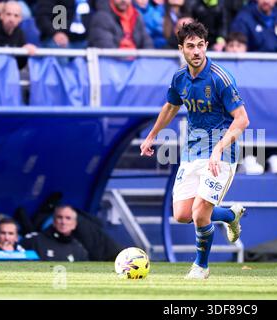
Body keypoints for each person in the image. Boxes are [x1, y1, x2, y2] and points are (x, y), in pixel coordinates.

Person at [140, 21, 249, 279]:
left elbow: (242, 119)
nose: (197, 51)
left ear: (207, 46)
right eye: (191, 46)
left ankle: (201, 266)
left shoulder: (220, 78)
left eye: (201, 45)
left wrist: (219, 148)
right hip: (192, 152)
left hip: (222, 153)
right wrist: (152, 135)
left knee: (200, 212)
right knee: (182, 214)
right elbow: (170, 107)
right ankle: (230, 214)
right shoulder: (179, 78)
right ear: (182, 49)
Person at [21, 205, 89, 261]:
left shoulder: (79, 250)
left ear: (74, 224)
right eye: (60, 217)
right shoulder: (34, 241)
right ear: (53, 221)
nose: (63, 222)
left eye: (68, 218)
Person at [0, 1, 36, 68]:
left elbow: (19, 65)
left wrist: (25, 52)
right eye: (8, 14)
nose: (12, 19)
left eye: (16, 15)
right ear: (1, 15)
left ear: (20, 19)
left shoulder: (20, 33)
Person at [88, 0, 154, 49]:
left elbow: (147, 43)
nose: (123, 0)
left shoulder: (137, 16)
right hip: (113, 65)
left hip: (136, 65)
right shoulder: (101, 18)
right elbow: (106, 51)